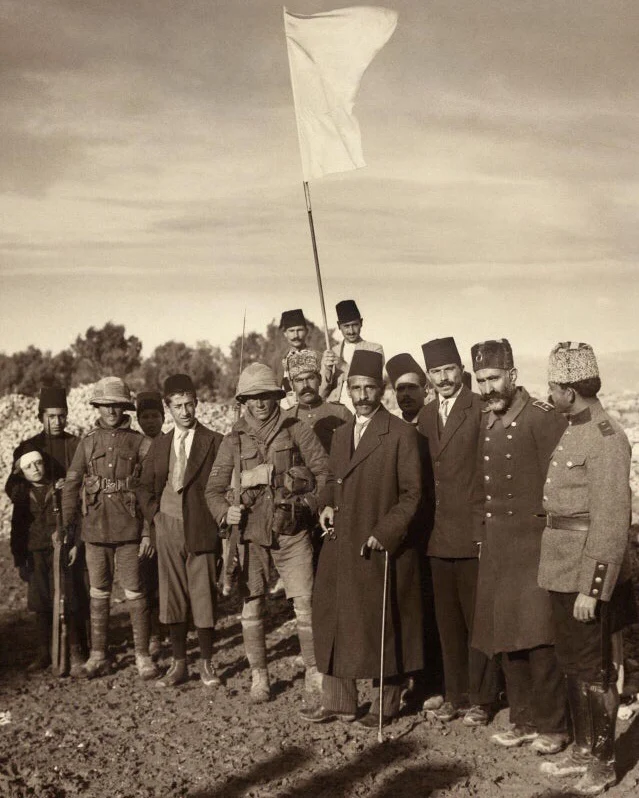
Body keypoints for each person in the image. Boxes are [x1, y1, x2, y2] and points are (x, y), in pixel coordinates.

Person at [300, 350, 424, 728]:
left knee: (381, 624)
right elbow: (333, 481)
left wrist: (384, 533)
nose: (363, 395)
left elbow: (412, 494)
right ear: (348, 389)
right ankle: (339, 701)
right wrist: (325, 505)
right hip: (341, 543)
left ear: (381, 389)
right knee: (333, 616)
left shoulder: (400, 434)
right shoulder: (341, 434)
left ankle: (385, 703)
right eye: (356, 388)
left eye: (370, 388)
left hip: (378, 545)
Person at [538, 342, 636, 796]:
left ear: (572, 391)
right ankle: (582, 751)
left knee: (596, 672)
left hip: (584, 575)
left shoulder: (606, 438)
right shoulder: (574, 427)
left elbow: (612, 522)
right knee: (575, 666)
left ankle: (601, 762)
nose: (550, 393)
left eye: (554, 387)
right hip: (562, 567)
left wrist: (592, 589)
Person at [205, 363, 329, 703]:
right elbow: (213, 490)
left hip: (291, 529)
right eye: (253, 397)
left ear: (277, 396)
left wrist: (306, 504)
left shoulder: (296, 428)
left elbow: (324, 474)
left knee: (304, 602)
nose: (260, 404)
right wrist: (225, 512)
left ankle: (314, 672)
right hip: (250, 533)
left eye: (267, 396)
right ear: (243, 400)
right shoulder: (233, 439)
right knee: (252, 605)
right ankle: (260, 675)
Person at [471, 339, 569, 753]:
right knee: (507, 636)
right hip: (498, 547)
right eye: (480, 381)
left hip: (535, 544)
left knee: (540, 638)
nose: (488, 387)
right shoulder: (487, 418)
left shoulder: (542, 419)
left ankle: (554, 726)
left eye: (494, 378)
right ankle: (523, 718)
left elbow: (562, 486)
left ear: (512, 376)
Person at [418, 338, 499, 727]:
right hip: (438, 535)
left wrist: (484, 526)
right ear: (429, 377)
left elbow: (491, 471)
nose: (443, 378)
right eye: (435, 372)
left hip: (472, 531)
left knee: (476, 618)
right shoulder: (426, 414)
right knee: (447, 621)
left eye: (449, 369)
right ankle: (455, 694)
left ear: (461, 371)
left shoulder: (480, 409)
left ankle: (482, 698)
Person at [61, 377, 157, 681]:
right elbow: (72, 485)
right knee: (98, 592)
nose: (111, 410)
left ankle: (143, 656)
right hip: (95, 531)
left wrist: (147, 532)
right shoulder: (87, 442)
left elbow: (153, 489)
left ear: (125, 407)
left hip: (130, 530)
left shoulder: (141, 442)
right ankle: (98, 655)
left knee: (134, 591)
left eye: (116, 405)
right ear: (98, 407)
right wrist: (68, 527)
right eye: (105, 405)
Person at [137, 375, 223, 688]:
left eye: (189, 404)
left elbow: (224, 486)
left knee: (203, 597)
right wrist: (156, 517)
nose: (184, 411)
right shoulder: (160, 445)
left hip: (201, 527)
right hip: (168, 526)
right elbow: (143, 486)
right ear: (168, 408)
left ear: (197, 403)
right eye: (177, 406)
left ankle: (207, 663)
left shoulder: (215, 441)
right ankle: (179, 664)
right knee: (171, 596)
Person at [5, 385, 87, 676]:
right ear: (41, 416)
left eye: (61, 416)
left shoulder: (76, 444)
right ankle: (46, 651)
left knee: (74, 591)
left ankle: (78, 648)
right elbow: (12, 486)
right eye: (51, 416)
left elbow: (84, 488)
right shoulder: (28, 447)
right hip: (38, 536)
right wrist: (26, 487)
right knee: (42, 598)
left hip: (69, 529)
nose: (57, 422)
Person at [385, 352, 443, 712]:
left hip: (439, 527)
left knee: (437, 609)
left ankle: (439, 681)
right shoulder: (391, 429)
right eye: (399, 389)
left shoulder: (436, 424)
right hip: (409, 531)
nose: (406, 395)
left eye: (412, 387)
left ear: (426, 389)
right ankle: (415, 679)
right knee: (410, 609)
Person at [9, 445, 65, 672]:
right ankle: (45, 651)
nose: (35, 469)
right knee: (41, 603)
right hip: (35, 555)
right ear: (22, 472)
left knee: (65, 598)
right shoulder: (22, 497)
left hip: (58, 553)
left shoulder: (59, 490)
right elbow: (18, 530)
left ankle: (71, 649)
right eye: (29, 466)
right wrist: (20, 559)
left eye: (38, 463)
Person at [135, 390, 165, 658]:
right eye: (145, 416)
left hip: (167, 519)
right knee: (147, 581)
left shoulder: (171, 443)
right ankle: (154, 633)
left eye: (155, 415)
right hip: (143, 524)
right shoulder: (136, 446)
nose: (151, 421)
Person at [320, 299, 384, 410]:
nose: (351, 331)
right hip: (336, 410)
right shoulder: (332, 351)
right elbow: (321, 393)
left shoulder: (375, 349)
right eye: (346, 326)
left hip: (364, 407)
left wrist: (343, 365)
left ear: (361, 323)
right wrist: (327, 370)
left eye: (355, 325)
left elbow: (371, 380)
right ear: (339, 326)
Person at [284, 350, 351, 454]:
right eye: (299, 380)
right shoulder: (286, 419)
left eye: (310, 378)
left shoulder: (340, 412)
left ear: (319, 379)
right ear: (291, 385)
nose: (305, 385)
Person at [279, 308, 313, 410]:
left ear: (306, 331)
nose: (295, 336)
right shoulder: (279, 362)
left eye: (299, 330)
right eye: (291, 331)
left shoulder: (318, 358)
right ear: (285, 333)